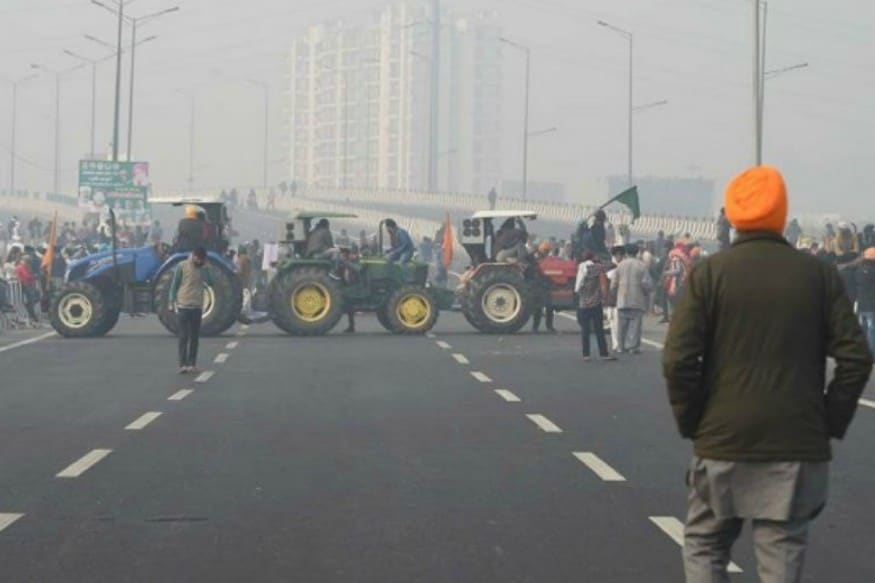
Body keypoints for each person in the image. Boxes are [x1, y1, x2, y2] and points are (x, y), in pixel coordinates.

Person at [663, 165, 873, 583]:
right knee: (782, 550)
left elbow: (678, 360)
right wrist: (828, 421)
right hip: (796, 443)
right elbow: (855, 358)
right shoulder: (817, 275)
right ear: (782, 213)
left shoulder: (709, 274)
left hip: (722, 440)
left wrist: (694, 422)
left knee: (705, 544)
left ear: (733, 215)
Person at [168, 247, 214, 374]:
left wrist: (208, 269)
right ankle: (183, 364)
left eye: (201, 260)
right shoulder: (181, 266)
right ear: (193, 256)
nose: (199, 261)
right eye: (198, 259)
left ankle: (192, 364)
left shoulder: (203, 268)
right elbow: (174, 285)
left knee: (194, 337)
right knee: (183, 336)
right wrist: (171, 301)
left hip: (197, 307)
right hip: (183, 306)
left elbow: (211, 283)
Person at [611, 243, 653, 354]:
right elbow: (647, 284)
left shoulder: (620, 265)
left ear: (626, 253)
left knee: (621, 326)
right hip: (637, 300)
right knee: (635, 326)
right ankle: (632, 347)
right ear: (637, 252)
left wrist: (615, 295)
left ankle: (620, 346)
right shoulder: (641, 266)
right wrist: (647, 294)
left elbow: (613, 284)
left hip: (622, 300)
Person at [574, 251, 615, 361]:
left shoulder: (580, 268)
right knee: (599, 330)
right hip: (595, 303)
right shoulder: (597, 268)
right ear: (593, 258)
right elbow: (611, 266)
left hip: (583, 304)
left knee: (585, 330)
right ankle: (604, 353)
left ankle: (586, 354)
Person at [531, 241, 556, 333]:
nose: (546, 252)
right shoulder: (536, 258)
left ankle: (549, 326)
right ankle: (535, 328)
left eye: (547, 251)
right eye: (545, 250)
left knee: (549, 306)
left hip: (544, 284)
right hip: (538, 284)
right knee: (538, 308)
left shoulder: (545, 259)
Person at [854, 247, 875, 351]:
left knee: (865, 328)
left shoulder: (858, 270)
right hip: (872, 305)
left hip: (861, 305)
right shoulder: (873, 271)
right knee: (872, 330)